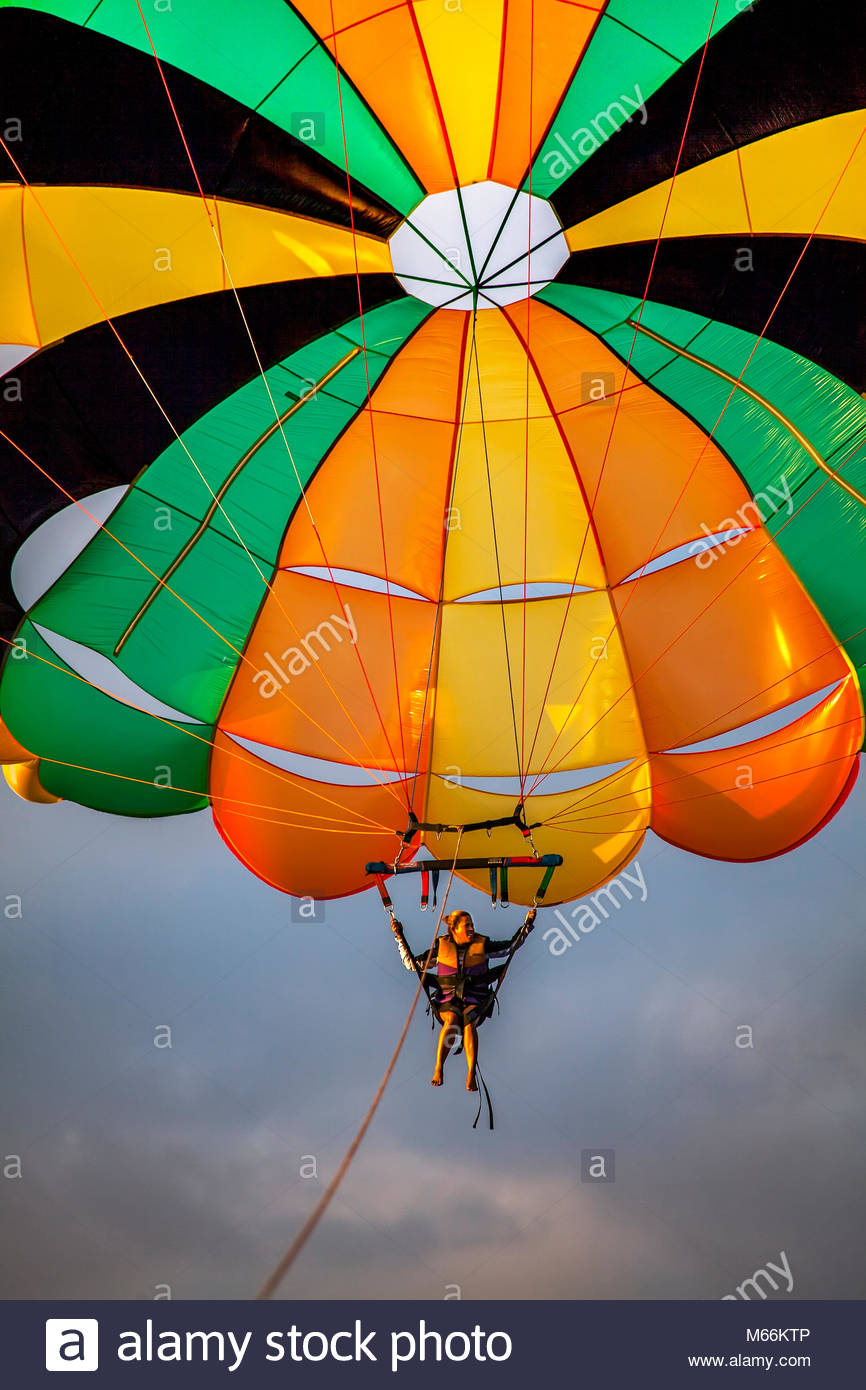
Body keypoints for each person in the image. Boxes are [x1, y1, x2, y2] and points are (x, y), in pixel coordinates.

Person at [391, 906, 536, 1091]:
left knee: (469, 1024)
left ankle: (470, 1073)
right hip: (447, 1001)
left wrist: (528, 924)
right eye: (467, 925)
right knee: (451, 1020)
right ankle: (439, 1068)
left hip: (475, 999)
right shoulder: (441, 947)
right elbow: (412, 964)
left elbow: (510, 947)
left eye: (472, 924)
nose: (471, 928)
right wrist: (399, 937)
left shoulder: (483, 945)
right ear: (454, 929)